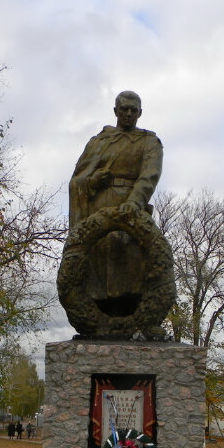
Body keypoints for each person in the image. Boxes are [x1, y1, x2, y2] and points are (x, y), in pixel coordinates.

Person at [68, 91, 163, 314]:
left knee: (128, 271)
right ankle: (99, 314)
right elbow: (77, 181)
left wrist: (134, 203)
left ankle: (130, 315)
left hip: (129, 212)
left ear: (140, 113)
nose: (129, 114)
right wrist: (92, 182)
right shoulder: (98, 142)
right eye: (124, 109)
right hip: (97, 212)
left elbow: (149, 177)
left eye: (133, 110)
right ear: (115, 111)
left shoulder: (149, 142)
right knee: (98, 273)